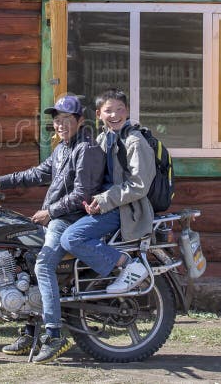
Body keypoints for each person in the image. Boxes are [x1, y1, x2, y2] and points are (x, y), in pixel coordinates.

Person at [0, 94, 104, 364]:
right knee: (25, 257)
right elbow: (37, 173)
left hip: (70, 219)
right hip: (57, 217)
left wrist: (50, 212)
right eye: (57, 120)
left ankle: (54, 335)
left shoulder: (87, 148)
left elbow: (82, 195)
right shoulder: (63, 148)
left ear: (80, 120)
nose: (60, 125)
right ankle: (30, 332)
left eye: (66, 120)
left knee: (42, 265)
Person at [60, 88, 155, 295]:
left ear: (128, 111)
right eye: (108, 110)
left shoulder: (135, 142)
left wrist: (103, 200)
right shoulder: (104, 138)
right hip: (105, 206)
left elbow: (139, 184)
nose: (115, 115)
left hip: (125, 209)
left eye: (120, 109)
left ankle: (127, 264)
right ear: (98, 114)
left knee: (71, 238)